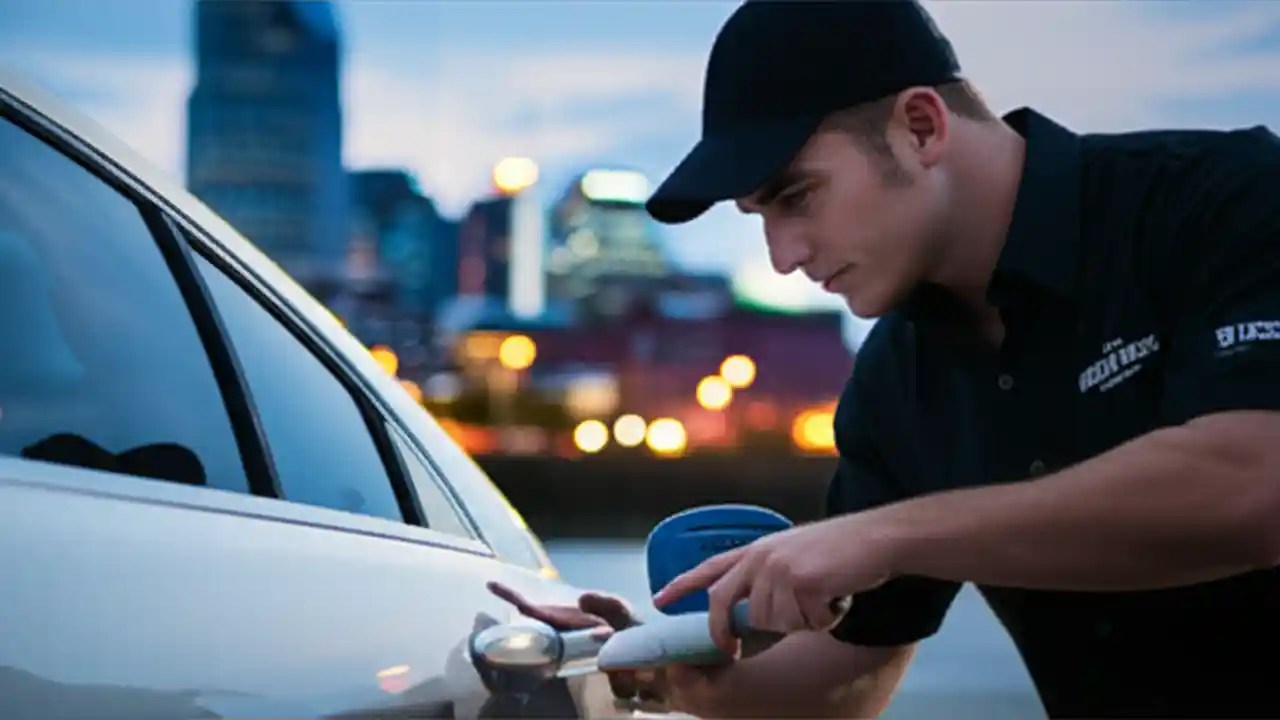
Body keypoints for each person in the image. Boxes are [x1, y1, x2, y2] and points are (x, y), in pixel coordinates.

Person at [493, 1, 1280, 717]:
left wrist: (885, 536)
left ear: (922, 127)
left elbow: (1256, 485)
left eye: (797, 196)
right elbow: (848, 674)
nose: (782, 256)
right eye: (759, 217)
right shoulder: (894, 384)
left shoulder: (1222, 201)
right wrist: (657, 663)